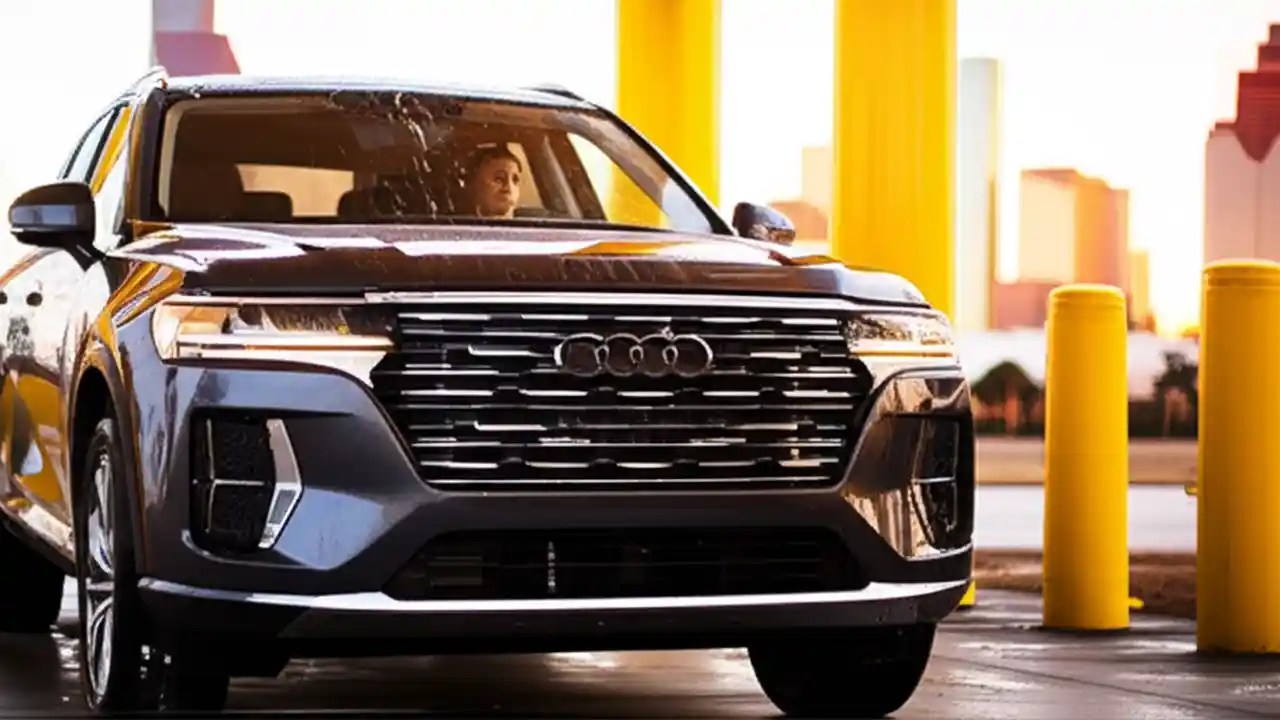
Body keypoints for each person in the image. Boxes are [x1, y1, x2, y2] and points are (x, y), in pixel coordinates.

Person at [465, 145, 523, 218]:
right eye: (499, 179)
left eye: (515, 180)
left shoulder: (532, 226)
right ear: (475, 184)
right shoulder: (457, 225)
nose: (509, 188)